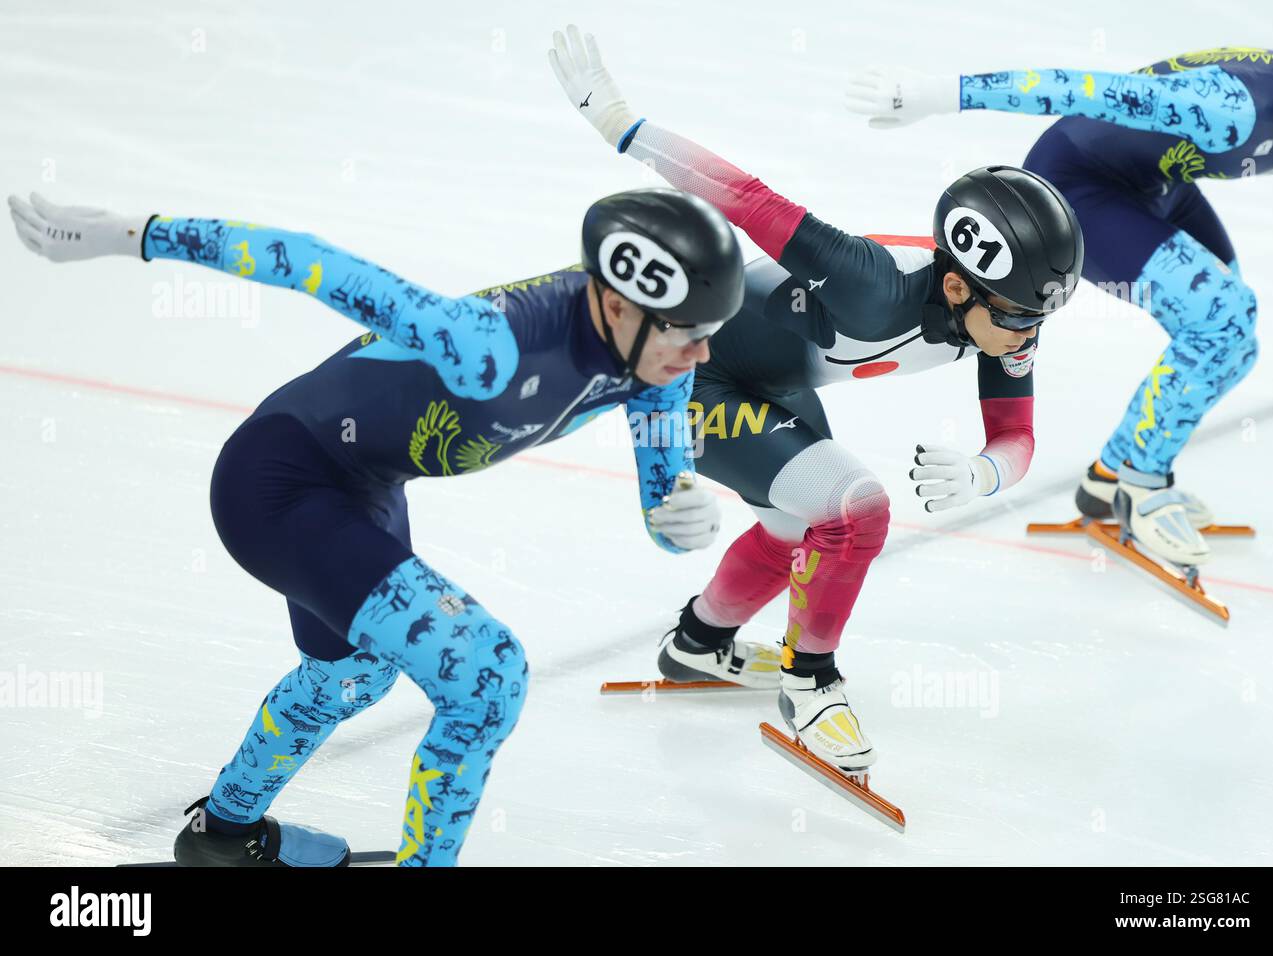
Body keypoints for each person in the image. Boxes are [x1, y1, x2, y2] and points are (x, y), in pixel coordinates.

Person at [7, 185, 741, 865]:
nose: (703, 354)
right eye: (691, 332)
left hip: (362, 487)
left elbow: (663, 495)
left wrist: (682, 512)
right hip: (277, 481)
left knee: (351, 677)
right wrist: (131, 235)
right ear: (618, 306)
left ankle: (224, 837)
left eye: (713, 332)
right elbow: (308, 262)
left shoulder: (661, 365)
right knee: (487, 676)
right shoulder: (489, 343)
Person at [549, 26, 1083, 773]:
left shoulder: (996, 315)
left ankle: (698, 645)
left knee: (797, 527)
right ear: (958, 286)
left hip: (772, 379)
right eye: (1022, 317)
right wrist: (622, 126)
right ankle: (809, 684)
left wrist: (983, 473)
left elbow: (1016, 440)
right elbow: (745, 198)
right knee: (856, 509)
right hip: (692, 372)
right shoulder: (873, 286)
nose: (1030, 336)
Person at [847, 47, 1273, 566]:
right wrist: (939, 92)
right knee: (1220, 320)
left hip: (1153, 180)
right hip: (1079, 188)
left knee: (1232, 340)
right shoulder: (1232, 109)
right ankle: (1141, 486)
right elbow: (1080, 88)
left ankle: (1110, 478)